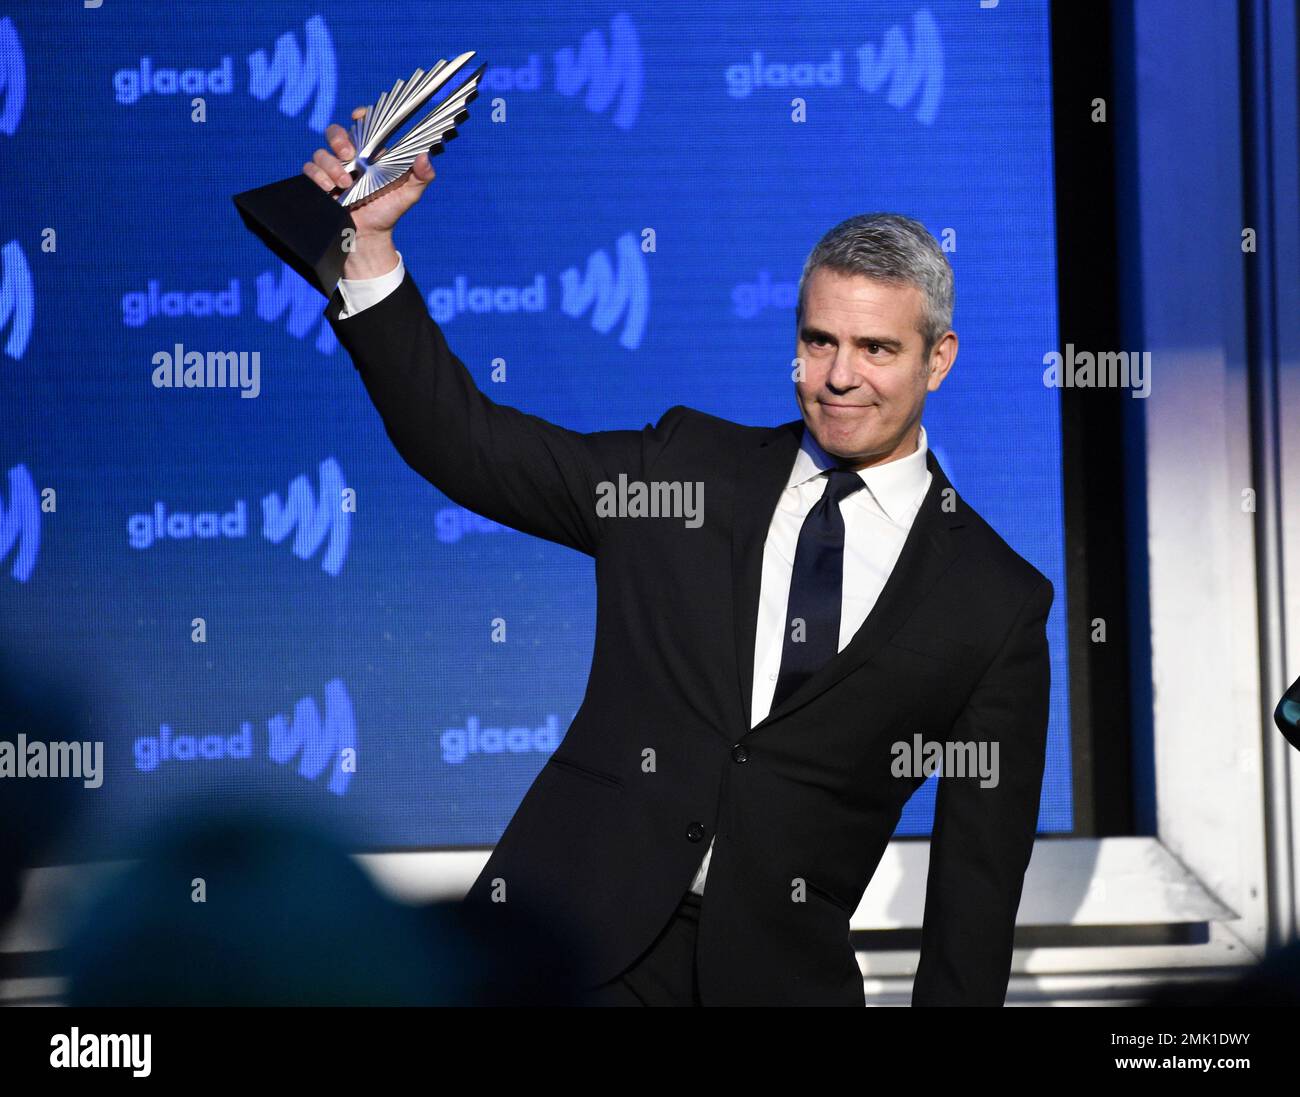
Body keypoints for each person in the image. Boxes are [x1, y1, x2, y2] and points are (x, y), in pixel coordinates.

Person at [302, 113, 1053, 1006]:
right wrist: (367, 250)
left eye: (876, 349)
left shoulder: (994, 602)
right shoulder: (685, 470)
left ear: (939, 360)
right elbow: (468, 444)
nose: (839, 375)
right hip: (566, 954)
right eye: (820, 341)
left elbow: (976, 890)